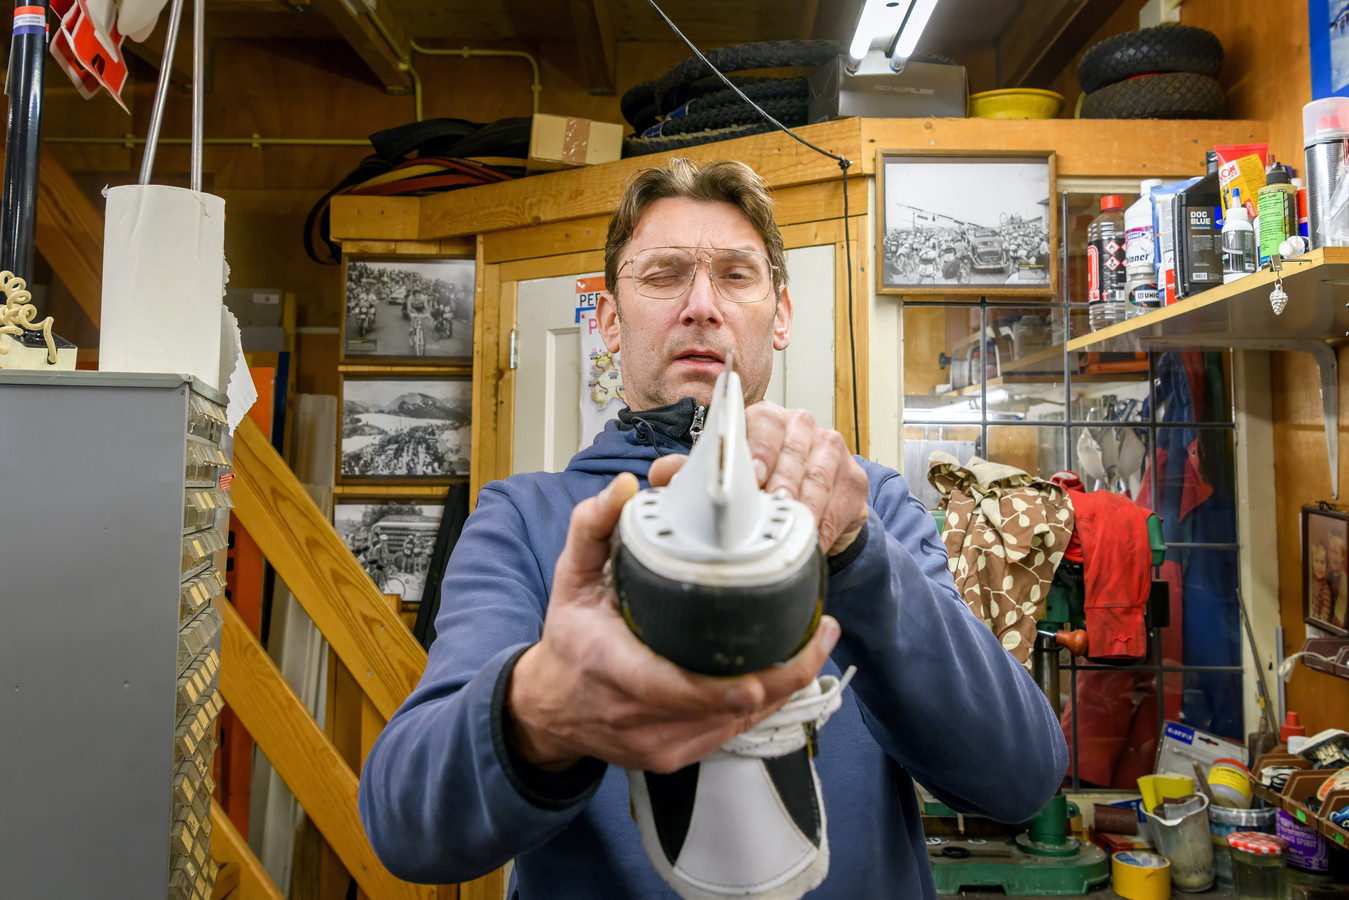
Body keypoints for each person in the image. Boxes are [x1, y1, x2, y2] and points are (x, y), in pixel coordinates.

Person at [358, 158, 1067, 898]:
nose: (701, 304)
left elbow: (1019, 780)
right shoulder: (525, 522)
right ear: (607, 319)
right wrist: (540, 706)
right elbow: (403, 826)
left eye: (735, 275)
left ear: (780, 315)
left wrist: (857, 559)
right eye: (663, 274)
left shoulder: (870, 506)